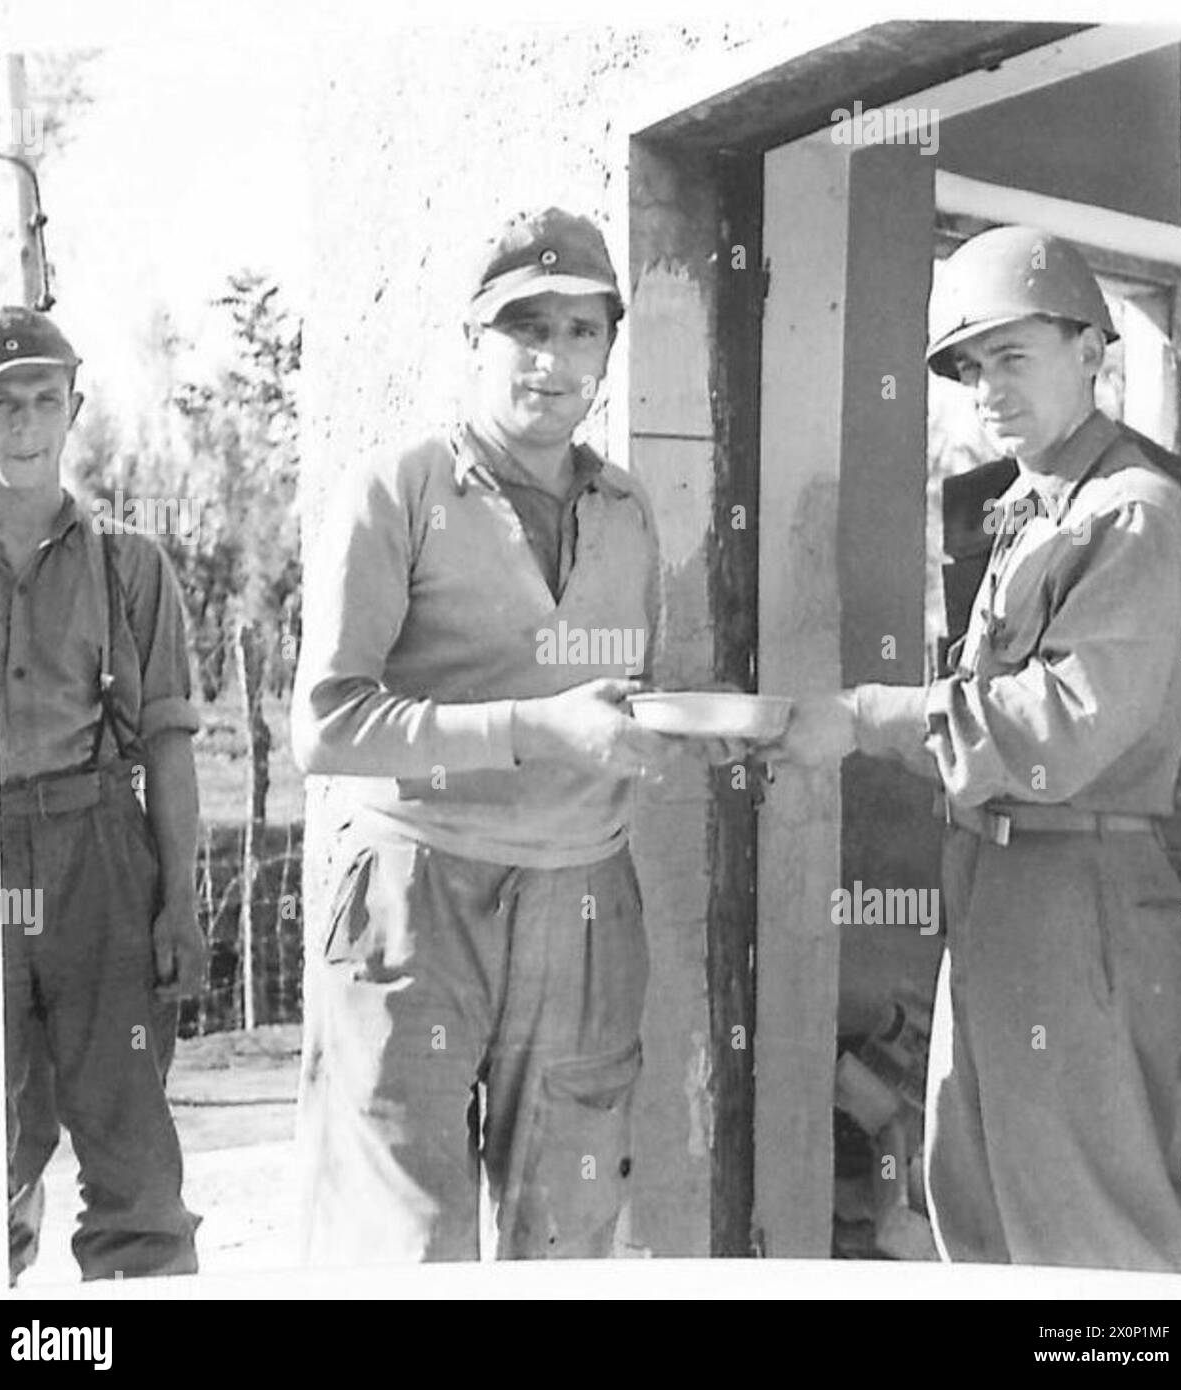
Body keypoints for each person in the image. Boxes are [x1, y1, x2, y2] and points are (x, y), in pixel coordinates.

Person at [292, 207, 732, 1262]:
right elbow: (327, 725)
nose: (553, 357)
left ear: (609, 352)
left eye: (583, 331)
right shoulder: (397, 490)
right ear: (473, 341)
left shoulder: (627, 507)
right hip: (418, 901)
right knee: (403, 1243)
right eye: (526, 326)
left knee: (569, 1232)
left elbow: (622, 696)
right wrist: (536, 726)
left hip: (583, 904)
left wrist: (678, 729)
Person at [773, 226, 1181, 1271]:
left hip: (1080, 891)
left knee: (1086, 1232)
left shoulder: (1132, 510)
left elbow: (1057, 728)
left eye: (1013, 355)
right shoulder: (1029, 505)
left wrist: (869, 716)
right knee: (979, 1208)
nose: (986, 389)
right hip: (1002, 887)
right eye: (971, 367)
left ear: (1091, 350)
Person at [0, 306, 205, 1282]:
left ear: (73, 409)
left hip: (100, 860)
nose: (23, 425)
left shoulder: (131, 563)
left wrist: (184, 906)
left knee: (133, 1163)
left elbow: (168, 744)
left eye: (42, 401)